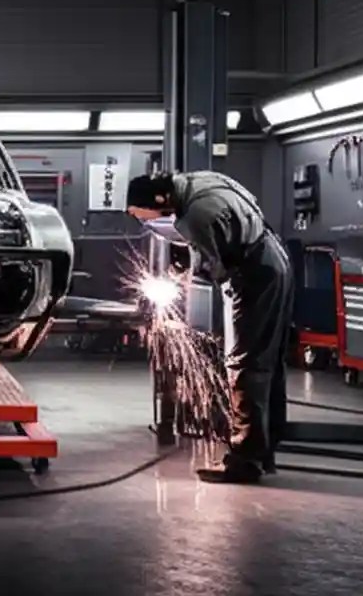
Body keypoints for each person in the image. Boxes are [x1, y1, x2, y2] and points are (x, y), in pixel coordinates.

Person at [125, 170, 294, 484]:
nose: (141, 220)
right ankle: (264, 449)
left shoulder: (195, 216)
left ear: (158, 199)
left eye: (140, 214)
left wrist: (182, 278)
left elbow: (212, 271)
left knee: (244, 364)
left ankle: (244, 460)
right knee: (267, 361)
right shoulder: (200, 181)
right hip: (276, 260)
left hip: (257, 274)